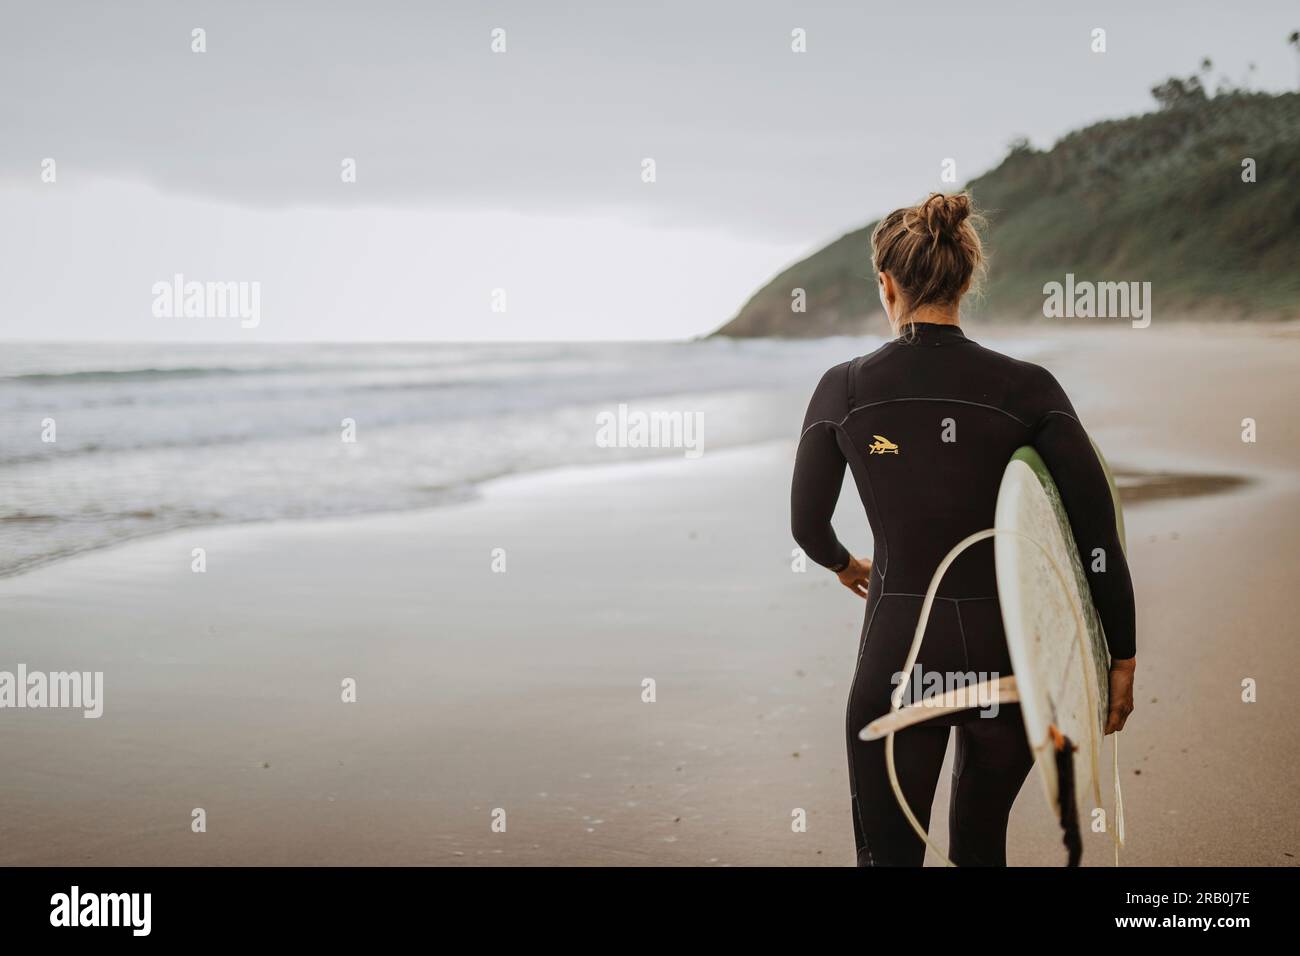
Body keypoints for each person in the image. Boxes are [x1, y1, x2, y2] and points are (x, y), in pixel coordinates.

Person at [790, 192, 1136, 866]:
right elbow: (1097, 541)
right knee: (981, 846)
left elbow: (807, 525)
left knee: (888, 858)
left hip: (900, 654)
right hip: (1009, 654)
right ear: (966, 279)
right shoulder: (1030, 389)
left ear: (887, 285)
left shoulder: (845, 389)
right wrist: (1120, 654)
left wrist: (844, 564)